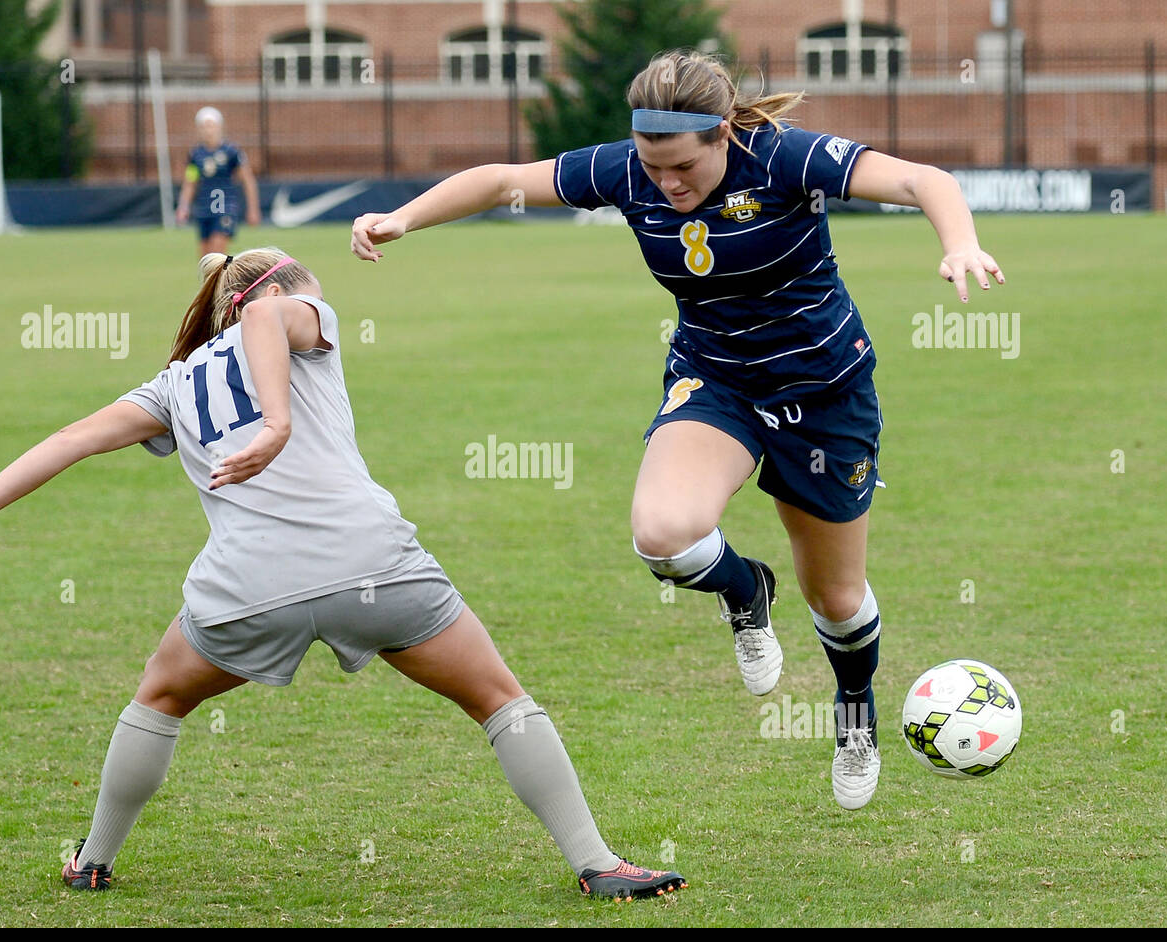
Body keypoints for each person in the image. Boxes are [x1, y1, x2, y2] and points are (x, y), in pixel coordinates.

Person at [0, 245, 686, 903]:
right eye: (309, 297)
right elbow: (262, 319)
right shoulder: (282, 313)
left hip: (247, 588)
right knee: (497, 697)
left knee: (160, 695)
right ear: (278, 292)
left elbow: (74, 436)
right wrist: (278, 421)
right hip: (372, 567)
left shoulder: (176, 383)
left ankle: (92, 863)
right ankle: (597, 863)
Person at [351, 50, 1006, 811]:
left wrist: (957, 242)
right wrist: (403, 217)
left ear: (725, 132)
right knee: (664, 535)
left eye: (684, 167)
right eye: (652, 165)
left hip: (824, 392)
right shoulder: (628, 170)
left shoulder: (782, 156)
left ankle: (854, 719)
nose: (667, 183)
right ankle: (745, 590)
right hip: (717, 379)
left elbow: (926, 180)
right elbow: (503, 179)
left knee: (835, 596)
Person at [175, 107, 261, 256]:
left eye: (211, 125)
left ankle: (224, 278)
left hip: (224, 208)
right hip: (204, 208)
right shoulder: (195, 154)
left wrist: (253, 209)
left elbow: (248, 180)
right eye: (204, 126)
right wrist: (183, 207)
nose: (208, 130)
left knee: (218, 253)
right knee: (206, 258)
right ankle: (214, 280)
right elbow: (190, 182)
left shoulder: (231, 152)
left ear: (219, 127)